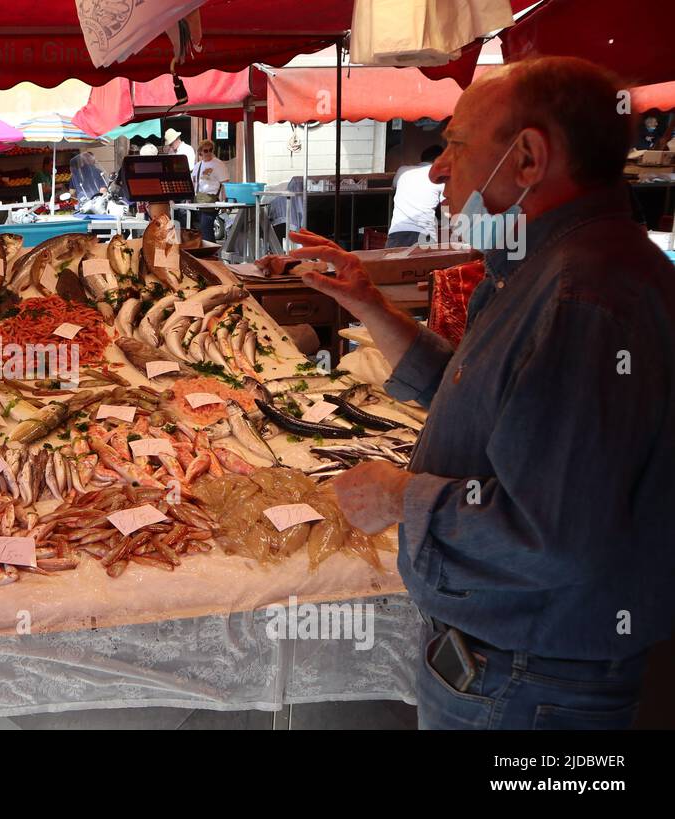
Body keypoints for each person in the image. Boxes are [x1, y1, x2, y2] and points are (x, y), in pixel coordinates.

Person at [288, 56, 675, 730]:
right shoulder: (543, 266)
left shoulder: (582, 297)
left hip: (527, 685)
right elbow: (490, 406)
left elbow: (552, 534)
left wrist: (398, 496)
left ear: (526, 158)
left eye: (456, 146)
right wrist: (369, 304)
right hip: (509, 670)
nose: (437, 170)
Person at [386, 145, 445, 248]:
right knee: (426, 264)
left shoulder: (403, 171)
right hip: (424, 236)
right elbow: (446, 208)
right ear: (439, 160)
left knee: (393, 264)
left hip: (397, 232)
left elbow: (394, 186)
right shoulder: (438, 176)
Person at [191, 139, 230, 243]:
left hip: (212, 200)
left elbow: (225, 183)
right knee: (202, 229)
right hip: (198, 199)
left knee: (206, 227)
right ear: (200, 152)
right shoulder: (198, 165)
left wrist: (225, 202)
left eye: (210, 150)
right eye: (205, 150)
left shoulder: (218, 164)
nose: (208, 152)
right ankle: (208, 252)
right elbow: (193, 182)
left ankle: (212, 253)